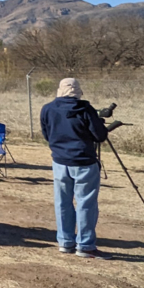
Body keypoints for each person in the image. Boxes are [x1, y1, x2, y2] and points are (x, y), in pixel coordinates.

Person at [39, 78, 110, 260]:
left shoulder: (47, 109)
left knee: (62, 202)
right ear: (78, 92)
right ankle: (85, 245)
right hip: (84, 162)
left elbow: (47, 134)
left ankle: (65, 242)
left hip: (60, 161)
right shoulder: (86, 109)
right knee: (85, 204)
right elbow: (99, 135)